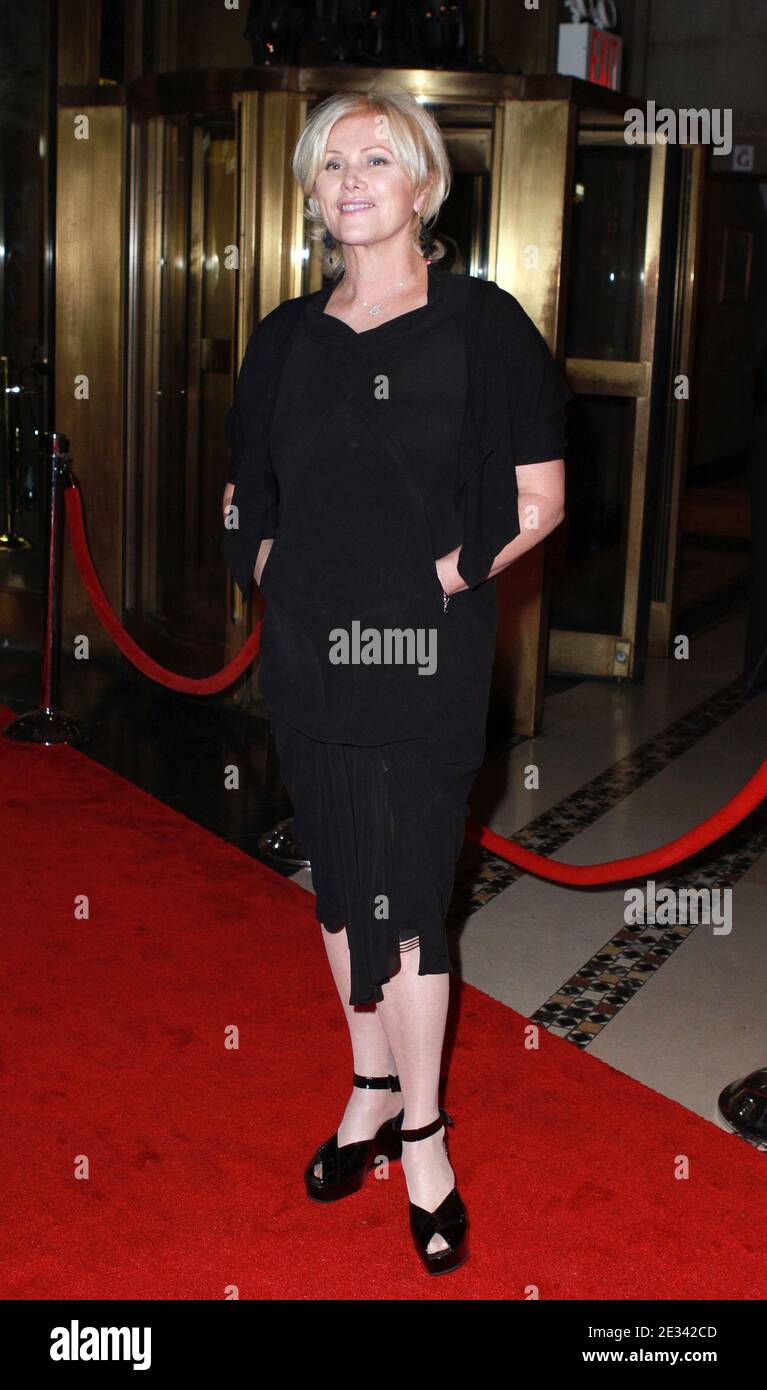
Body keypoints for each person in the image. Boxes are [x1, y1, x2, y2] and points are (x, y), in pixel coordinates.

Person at [220, 80, 572, 1276]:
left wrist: (441, 573)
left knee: (408, 900)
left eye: (377, 159)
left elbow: (538, 500)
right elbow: (241, 493)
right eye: (330, 164)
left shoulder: (482, 325)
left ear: (424, 186)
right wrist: (274, 567)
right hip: (311, 658)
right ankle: (366, 1087)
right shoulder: (282, 336)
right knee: (338, 886)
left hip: (425, 659)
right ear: (313, 195)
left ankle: (423, 1132)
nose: (351, 180)